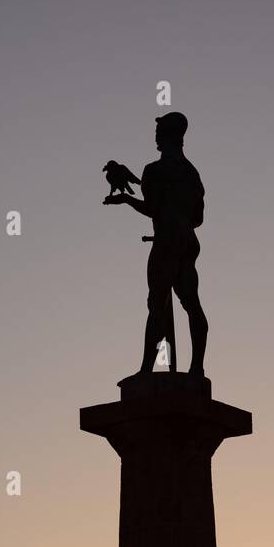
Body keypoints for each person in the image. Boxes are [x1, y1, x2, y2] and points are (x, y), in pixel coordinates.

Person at [104, 112, 208, 378]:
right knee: (191, 303)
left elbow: (151, 208)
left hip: (166, 242)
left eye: (159, 130)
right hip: (187, 241)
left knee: (157, 304)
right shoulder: (191, 173)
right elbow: (198, 218)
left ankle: (146, 371)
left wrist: (127, 201)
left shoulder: (155, 171)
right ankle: (197, 368)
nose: (155, 135)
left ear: (167, 135)